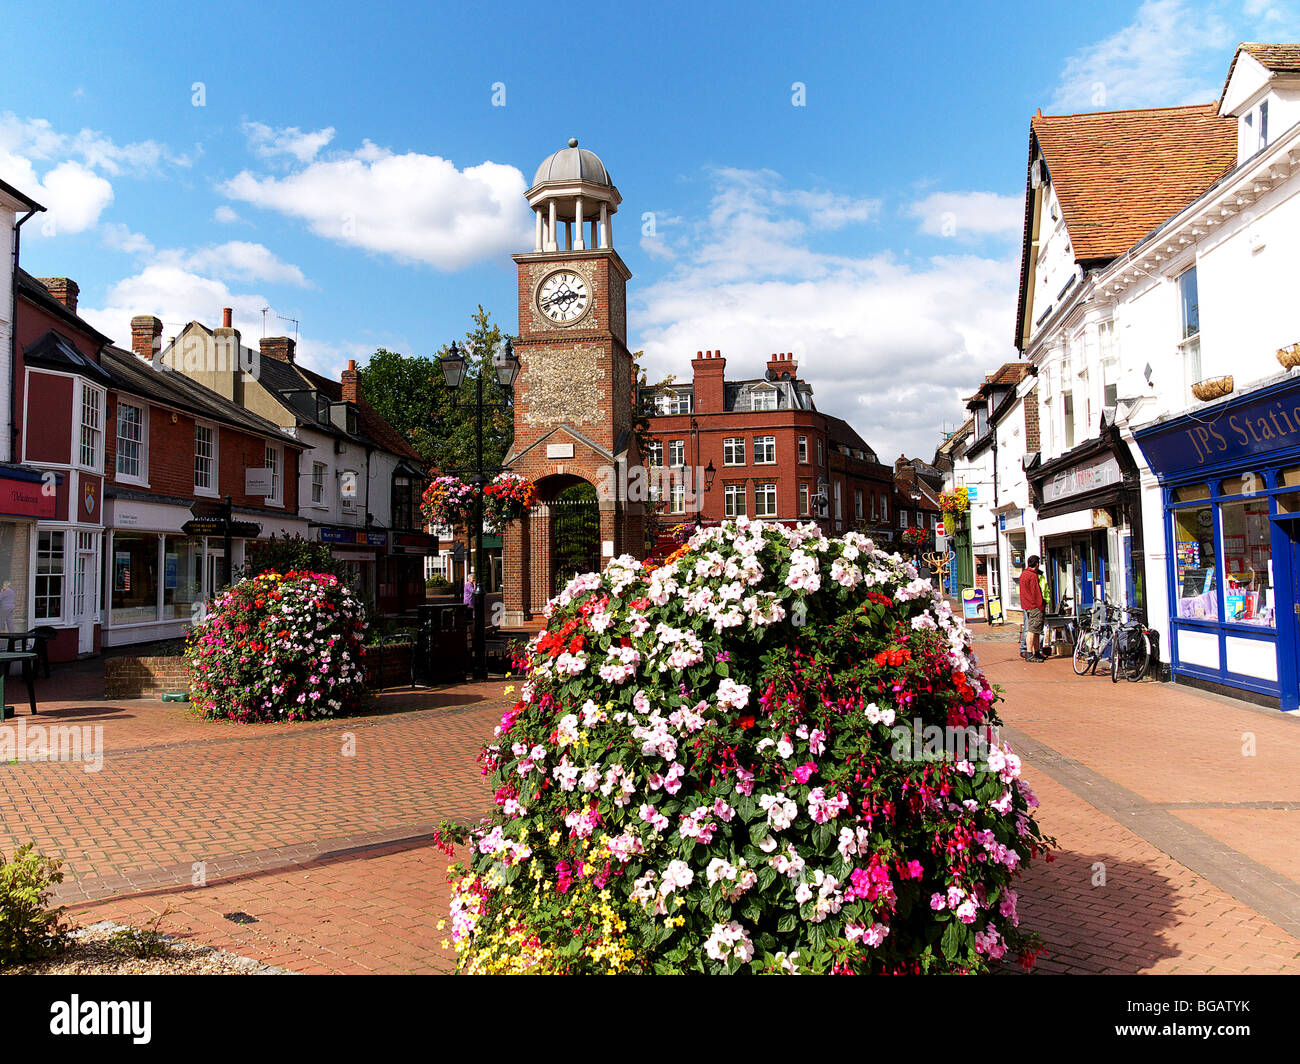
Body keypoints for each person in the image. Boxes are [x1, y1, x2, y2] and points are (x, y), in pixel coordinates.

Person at [1019, 555, 1046, 662]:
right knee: (1032, 631)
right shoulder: (1032, 576)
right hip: (1034, 606)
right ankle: (1030, 654)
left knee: (1036, 631)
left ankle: (1036, 652)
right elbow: (1036, 592)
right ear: (1037, 564)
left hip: (1026, 605)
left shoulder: (1023, 574)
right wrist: (1041, 605)